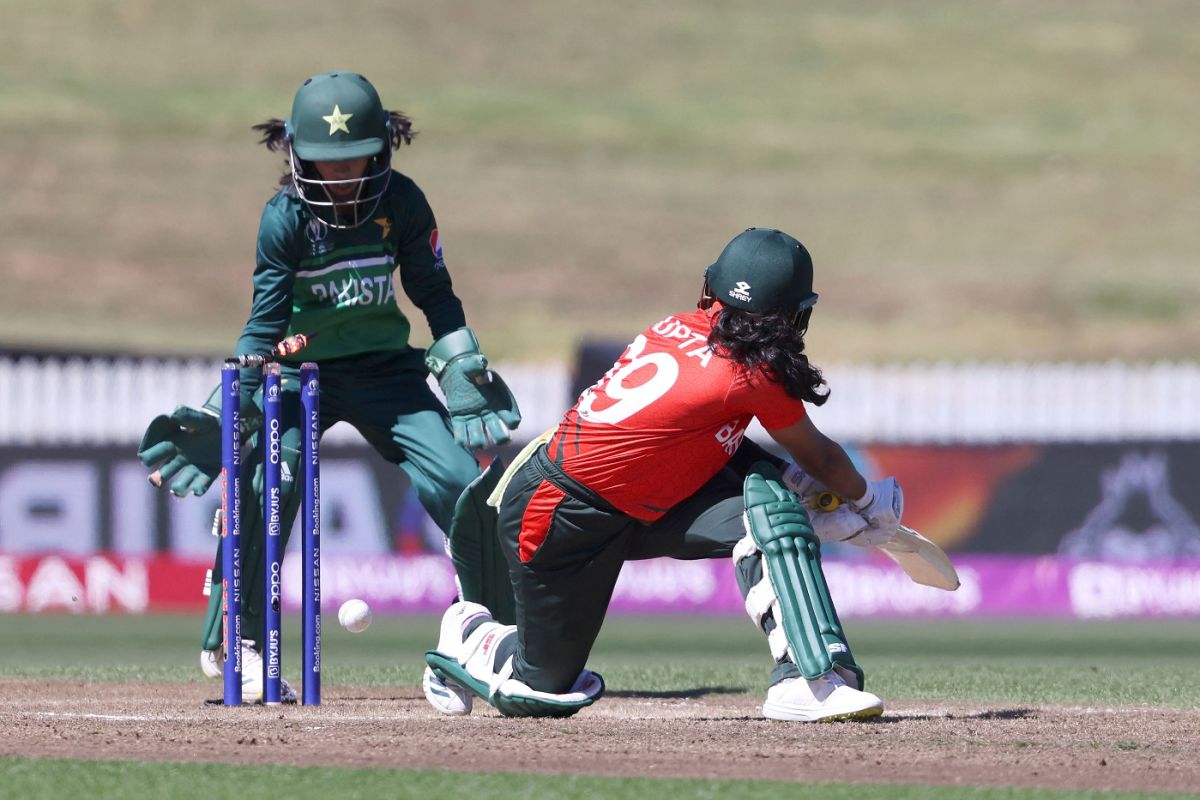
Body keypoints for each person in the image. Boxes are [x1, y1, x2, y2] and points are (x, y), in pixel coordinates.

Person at [137, 71, 520, 702]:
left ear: (382, 148)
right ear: (295, 153)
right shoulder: (284, 219)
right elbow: (264, 325)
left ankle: (483, 635)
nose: (340, 176)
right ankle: (242, 640)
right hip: (298, 375)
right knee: (269, 484)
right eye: (324, 162)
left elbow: (434, 294)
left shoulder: (403, 202)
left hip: (384, 371)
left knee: (462, 482)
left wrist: (460, 365)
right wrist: (226, 408)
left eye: (354, 160)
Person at [423, 227, 906, 721]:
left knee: (772, 515)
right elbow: (823, 458)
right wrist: (870, 503)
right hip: (560, 512)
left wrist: (793, 483)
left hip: (625, 501)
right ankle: (470, 632)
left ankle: (810, 679)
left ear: (712, 288)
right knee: (541, 688)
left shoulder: (676, 326)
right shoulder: (753, 372)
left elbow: (696, 437)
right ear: (792, 314)